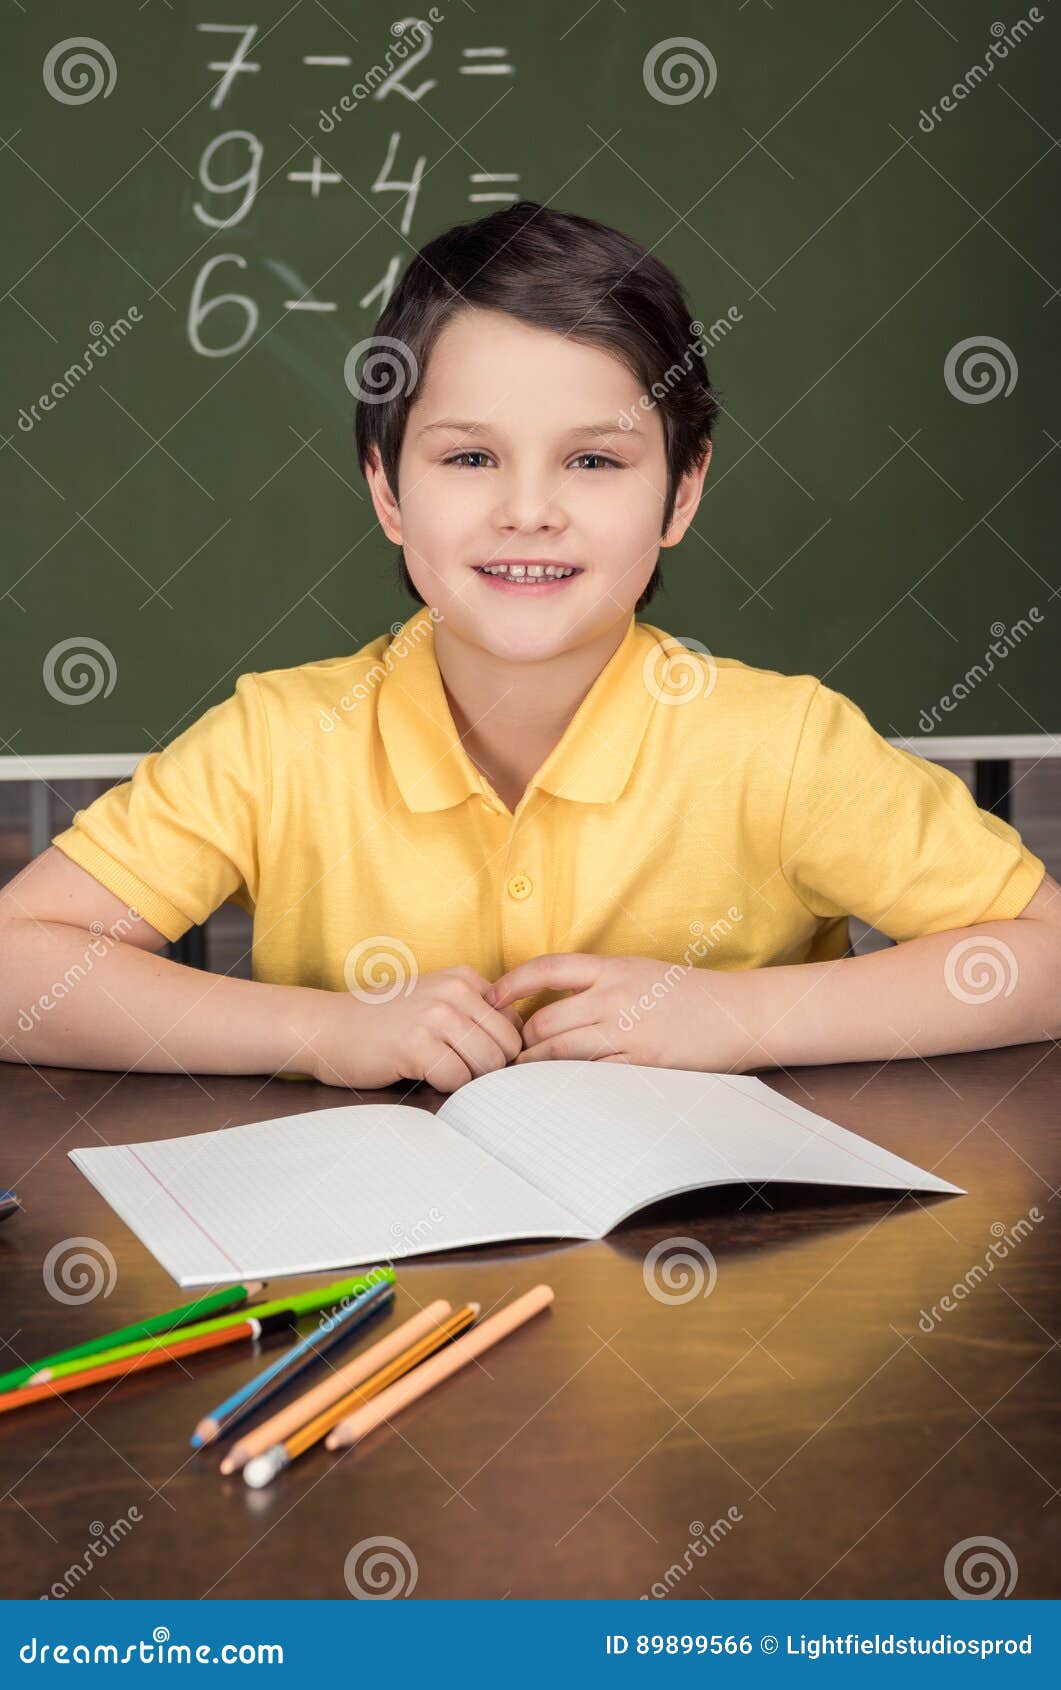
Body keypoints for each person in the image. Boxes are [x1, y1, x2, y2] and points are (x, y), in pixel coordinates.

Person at [2, 203, 1057, 1094]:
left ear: (680, 491)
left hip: (726, 1290)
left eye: (593, 460)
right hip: (372, 1278)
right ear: (386, 490)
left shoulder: (780, 745)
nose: (528, 511)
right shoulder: (278, 739)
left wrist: (740, 1016)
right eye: (468, 455)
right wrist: (321, 1031)